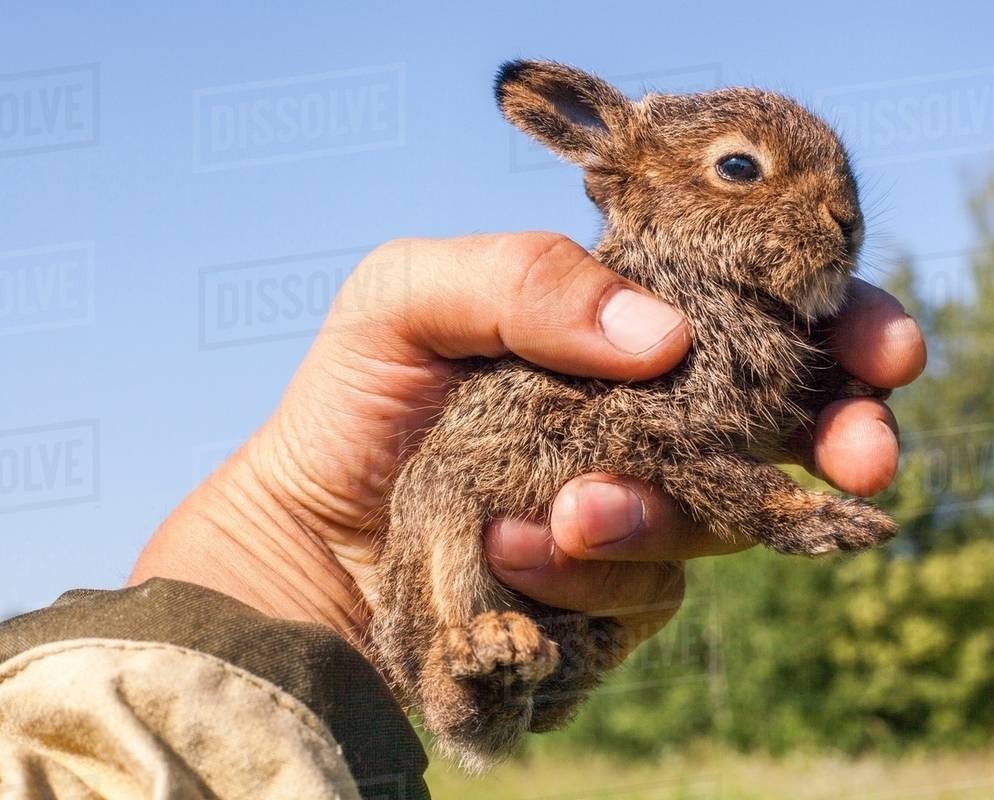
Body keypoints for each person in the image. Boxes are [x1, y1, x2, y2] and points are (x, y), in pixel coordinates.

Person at [0, 233, 925, 798]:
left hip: (492, 586)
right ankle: (461, 662)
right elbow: (655, 440)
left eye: (839, 195)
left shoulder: (766, 330)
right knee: (439, 484)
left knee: (574, 598)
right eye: (741, 173)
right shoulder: (645, 301)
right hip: (460, 528)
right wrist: (775, 509)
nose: (836, 217)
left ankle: (516, 676)